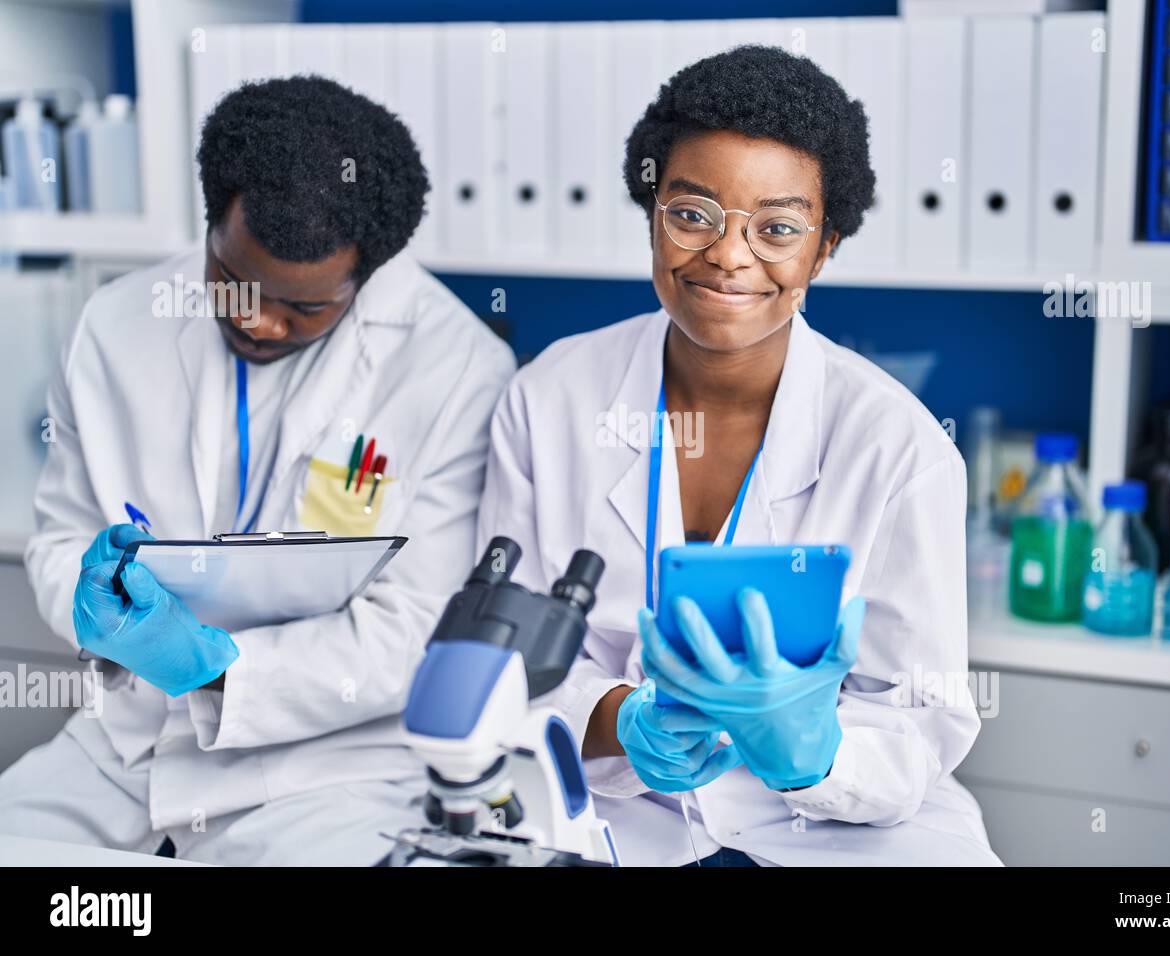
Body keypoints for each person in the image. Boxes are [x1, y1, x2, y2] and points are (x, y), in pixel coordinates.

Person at [476, 46, 1001, 866]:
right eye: (693, 215)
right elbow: (500, 654)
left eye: (778, 229)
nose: (728, 254)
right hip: (616, 812)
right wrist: (622, 719)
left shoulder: (898, 447)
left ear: (823, 249)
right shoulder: (549, 400)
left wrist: (812, 750)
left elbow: (918, 718)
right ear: (652, 213)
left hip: (837, 831)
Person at [0, 77, 515, 864]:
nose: (258, 319)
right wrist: (91, 601)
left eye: (306, 307)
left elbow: (416, 628)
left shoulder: (456, 369)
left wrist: (213, 669)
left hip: (321, 763)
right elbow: (62, 533)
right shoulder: (115, 323)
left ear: (366, 274)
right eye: (236, 282)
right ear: (213, 226)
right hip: (127, 735)